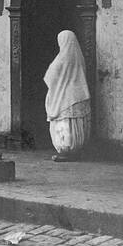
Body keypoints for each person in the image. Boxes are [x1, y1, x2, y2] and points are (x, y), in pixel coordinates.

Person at [44, 30, 91, 162]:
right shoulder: (79, 57)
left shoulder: (62, 59)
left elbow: (50, 76)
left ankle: (65, 151)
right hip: (78, 95)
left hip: (63, 97)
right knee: (76, 123)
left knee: (64, 124)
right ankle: (76, 150)